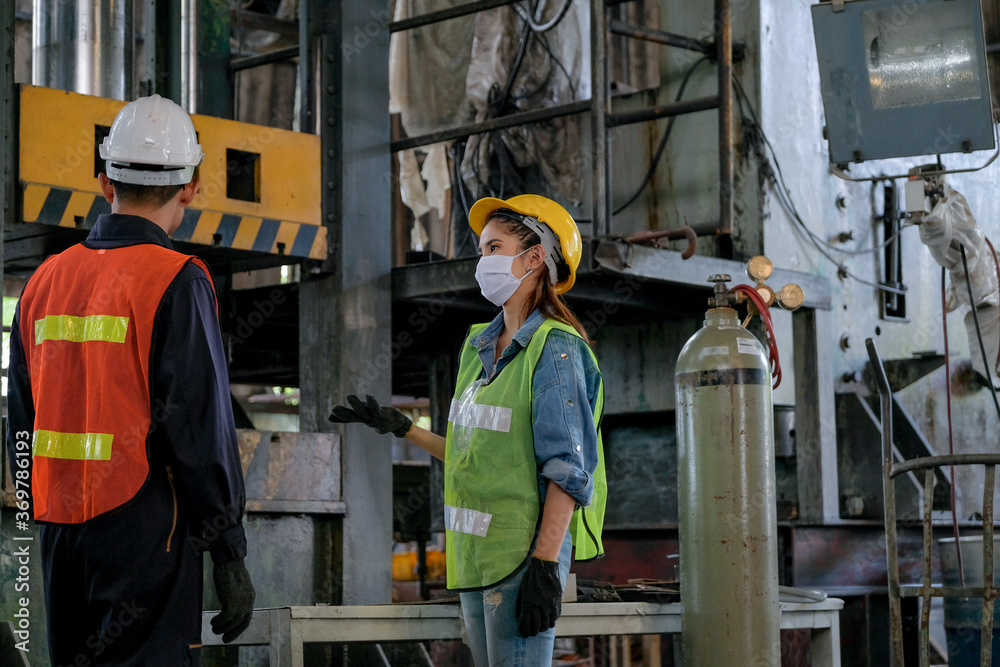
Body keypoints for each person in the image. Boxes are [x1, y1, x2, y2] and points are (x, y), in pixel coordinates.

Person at [5, 94, 255, 665]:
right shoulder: (177, 279)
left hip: (58, 531)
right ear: (190, 185)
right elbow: (197, 426)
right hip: (145, 531)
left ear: (103, 180)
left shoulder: (42, 282)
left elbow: (22, 420)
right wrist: (228, 548)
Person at [330, 195, 606, 666]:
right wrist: (404, 428)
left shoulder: (556, 347)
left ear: (534, 257)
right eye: (482, 251)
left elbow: (568, 468)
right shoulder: (478, 348)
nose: (483, 263)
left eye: (494, 248)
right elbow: (468, 450)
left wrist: (544, 564)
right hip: (476, 558)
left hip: (523, 557)